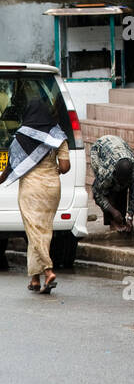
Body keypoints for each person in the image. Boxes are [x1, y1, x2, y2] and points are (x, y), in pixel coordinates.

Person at [0, 95, 70, 294]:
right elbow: (65, 166)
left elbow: (7, 172)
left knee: (34, 230)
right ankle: (35, 280)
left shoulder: (21, 136)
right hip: (52, 189)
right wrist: (55, 169)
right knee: (42, 231)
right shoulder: (58, 135)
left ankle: (48, 271)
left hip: (31, 189)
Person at [90, 135, 134, 233]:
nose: (123, 184)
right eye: (121, 180)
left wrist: (130, 217)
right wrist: (112, 211)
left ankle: (121, 220)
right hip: (99, 148)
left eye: (126, 181)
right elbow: (97, 194)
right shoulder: (106, 172)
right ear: (115, 174)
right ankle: (112, 222)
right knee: (108, 190)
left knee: (121, 189)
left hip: (119, 147)